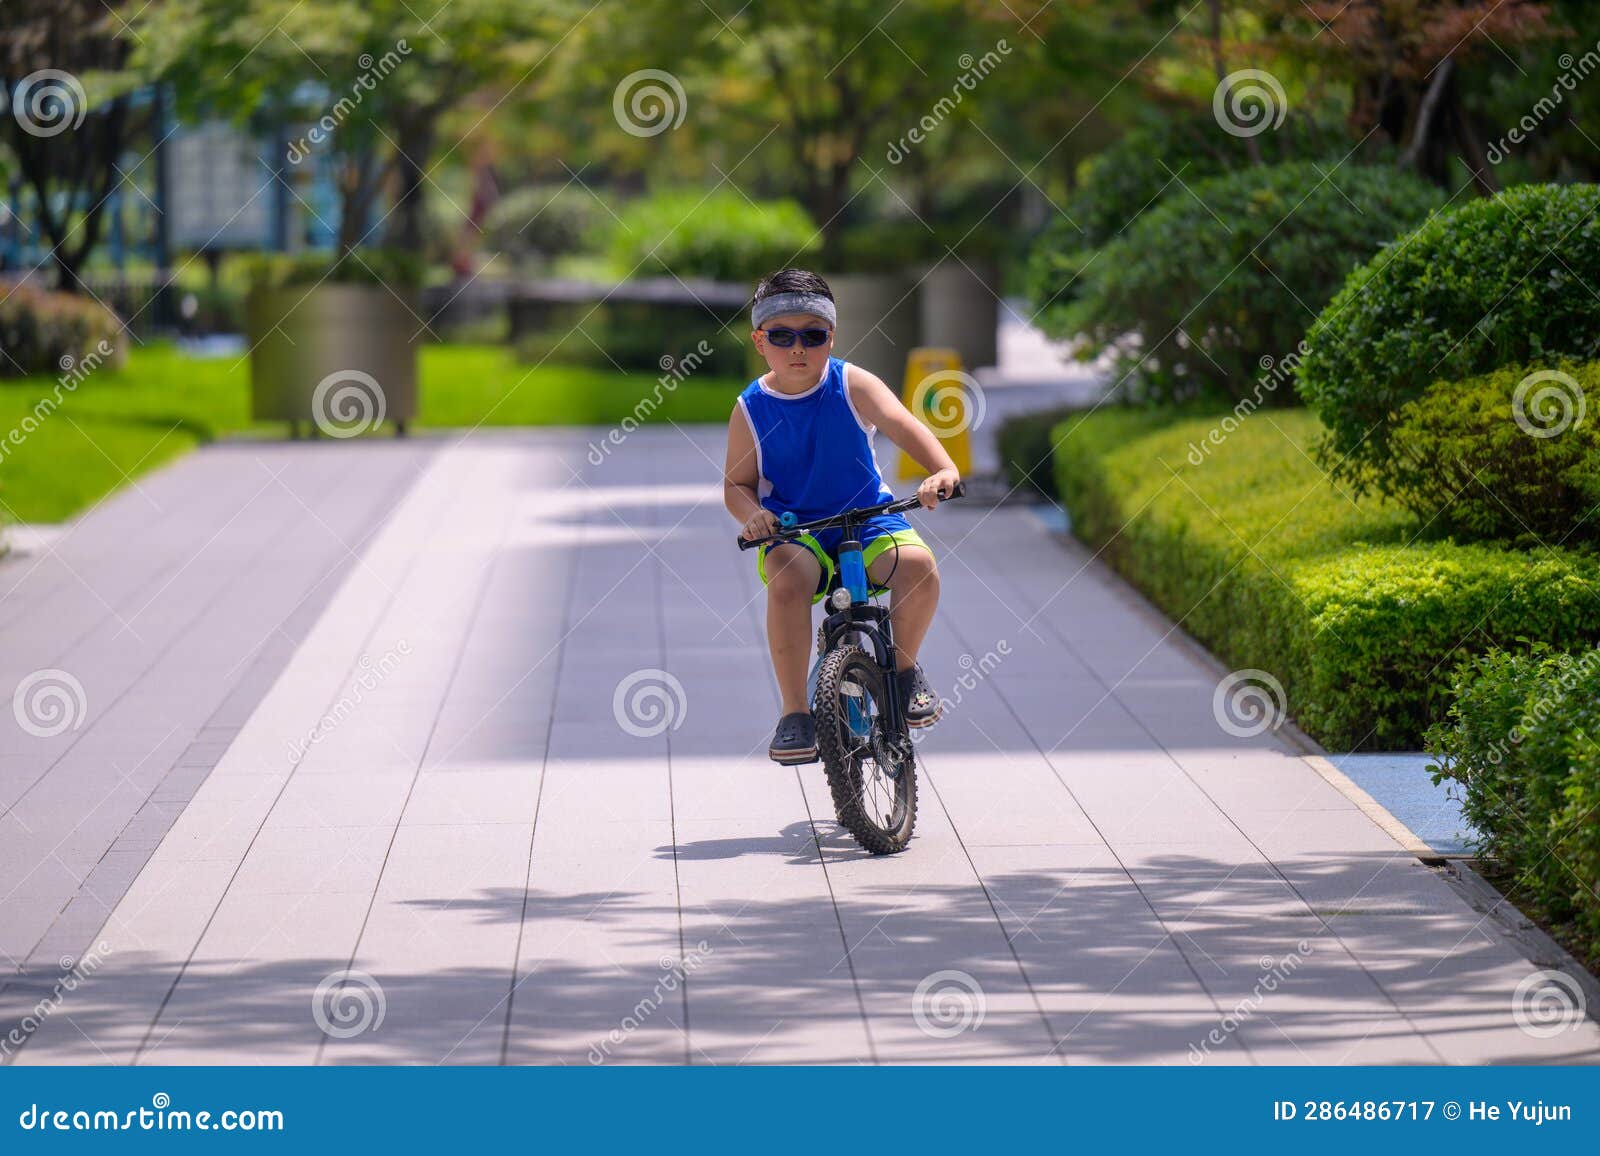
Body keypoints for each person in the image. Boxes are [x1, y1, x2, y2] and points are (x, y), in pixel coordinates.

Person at [723, 268, 961, 764]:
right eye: (781, 337)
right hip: (797, 530)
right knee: (787, 582)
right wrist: (753, 515)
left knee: (919, 569)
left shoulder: (852, 383)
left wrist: (942, 468)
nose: (798, 349)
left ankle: (901, 673)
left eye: (813, 336)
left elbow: (901, 423)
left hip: (870, 517)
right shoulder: (751, 407)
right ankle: (794, 712)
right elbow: (736, 485)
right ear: (758, 341)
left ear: (831, 337)